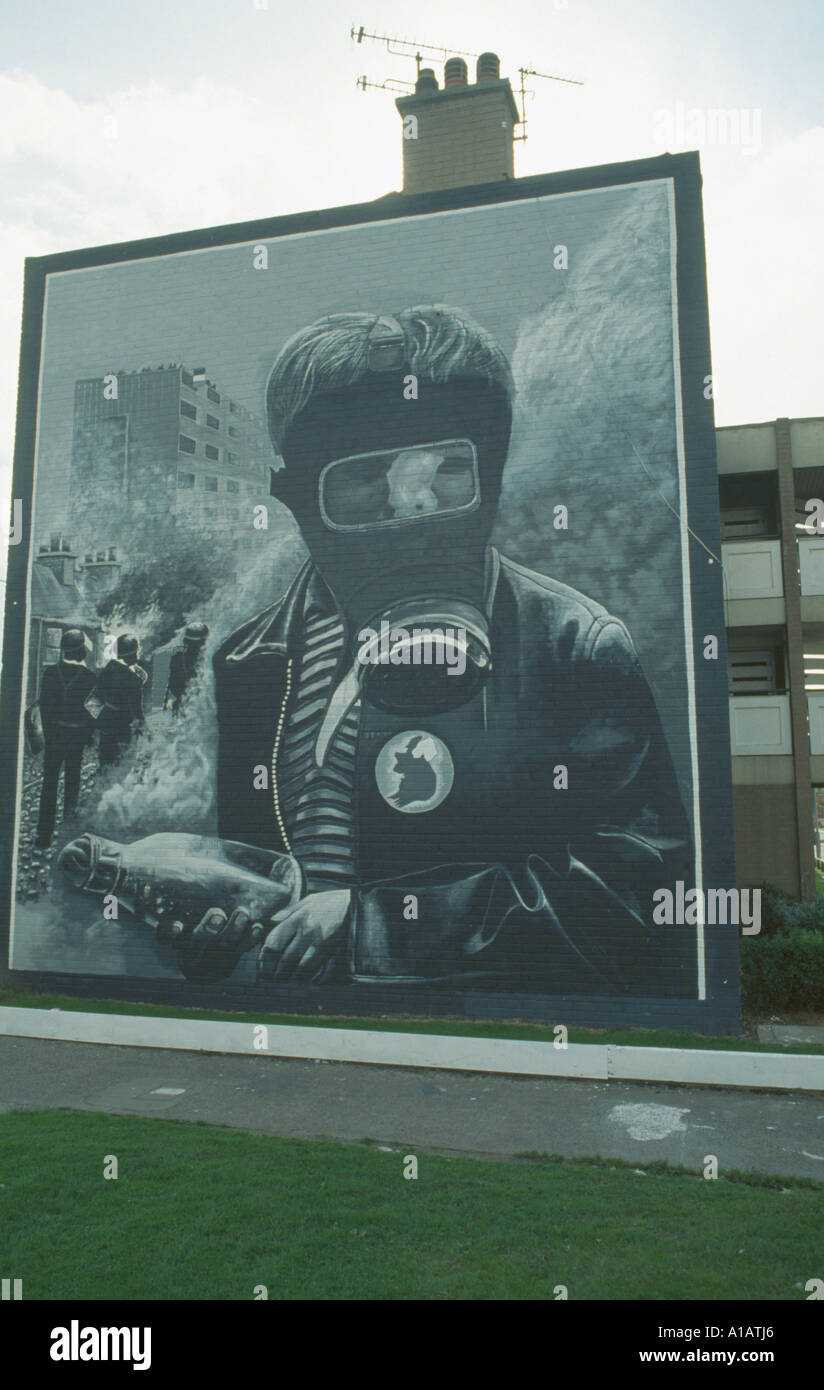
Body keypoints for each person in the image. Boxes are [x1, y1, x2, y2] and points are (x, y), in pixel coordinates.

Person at [172, 306, 695, 994]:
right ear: (296, 496)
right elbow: (258, 875)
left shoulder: (573, 647)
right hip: (298, 1044)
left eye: (448, 468)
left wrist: (380, 928)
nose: (410, 505)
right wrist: (217, 928)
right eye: (364, 476)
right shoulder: (249, 662)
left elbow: (643, 898)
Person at [35, 628, 96, 848]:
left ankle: (43, 836)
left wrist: (50, 735)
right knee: (73, 782)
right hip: (76, 738)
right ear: (81, 652)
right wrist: (88, 737)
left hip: (55, 737)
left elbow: (44, 707)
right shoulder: (90, 677)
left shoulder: (50, 673)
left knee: (49, 784)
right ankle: (68, 834)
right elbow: (92, 713)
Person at [96, 633, 147, 767]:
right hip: (122, 725)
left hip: (106, 721)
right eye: (136, 652)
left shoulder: (108, 670)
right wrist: (143, 725)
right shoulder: (133, 679)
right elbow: (137, 710)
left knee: (105, 760)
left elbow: (99, 696)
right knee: (122, 762)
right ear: (132, 653)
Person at [164, 622, 209, 715]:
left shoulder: (177, 654)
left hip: (180, 700)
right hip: (195, 703)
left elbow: (170, 681)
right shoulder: (204, 657)